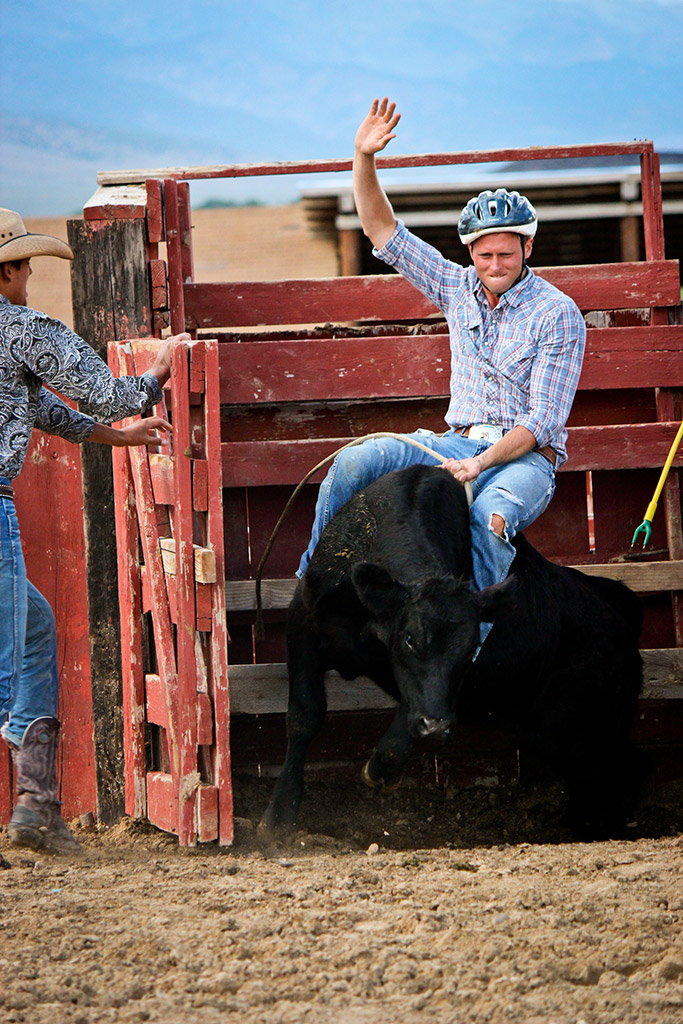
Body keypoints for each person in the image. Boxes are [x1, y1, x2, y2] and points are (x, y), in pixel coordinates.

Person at [297, 98, 586, 637]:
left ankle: (469, 645)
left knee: (490, 521)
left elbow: (543, 420)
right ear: (470, 251)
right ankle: (313, 586)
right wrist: (364, 157)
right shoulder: (456, 286)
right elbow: (383, 233)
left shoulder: (557, 313)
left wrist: (480, 466)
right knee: (357, 460)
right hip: (454, 441)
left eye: (506, 254)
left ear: (528, 245)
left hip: (524, 461)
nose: (494, 266)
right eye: (484, 255)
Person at [0, 207, 189, 853]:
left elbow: (44, 409)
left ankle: (36, 806)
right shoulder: (22, 328)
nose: (29, 279)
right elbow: (103, 393)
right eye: (25, 267)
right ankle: (35, 805)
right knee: (11, 654)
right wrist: (156, 376)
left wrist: (116, 435)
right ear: (8, 271)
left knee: (31, 633)